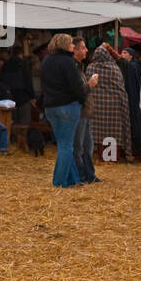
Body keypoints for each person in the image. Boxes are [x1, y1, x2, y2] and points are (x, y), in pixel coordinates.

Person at [40, 33, 95, 187]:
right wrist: (88, 87)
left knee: (64, 144)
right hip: (68, 107)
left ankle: (72, 180)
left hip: (50, 108)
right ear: (65, 45)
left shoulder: (46, 60)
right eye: (71, 43)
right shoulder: (68, 62)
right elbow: (77, 88)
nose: (73, 46)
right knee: (66, 146)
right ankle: (59, 182)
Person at [87, 44, 129, 162]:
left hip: (97, 106)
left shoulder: (90, 68)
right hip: (114, 107)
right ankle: (112, 158)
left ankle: (102, 156)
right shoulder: (114, 68)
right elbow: (120, 86)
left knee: (99, 131)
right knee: (113, 131)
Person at [71, 37, 102, 183]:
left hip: (85, 113)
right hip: (80, 112)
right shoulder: (73, 68)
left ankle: (89, 175)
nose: (86, 50)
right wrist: (90, 84)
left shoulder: (79, 67)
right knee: (79, 146)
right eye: (83, 47)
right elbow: (77, 91)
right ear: (75, 50)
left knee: (87, 146)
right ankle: (81, 176)